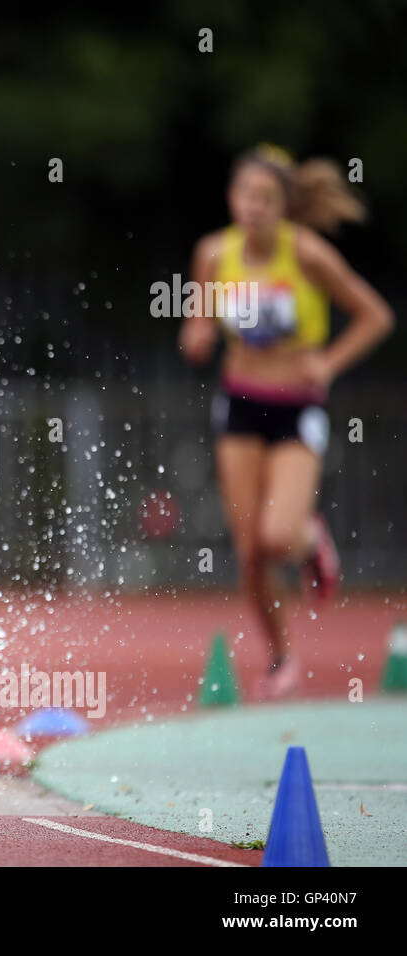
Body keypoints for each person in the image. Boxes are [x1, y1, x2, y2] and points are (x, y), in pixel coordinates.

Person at [179, 144, 394, 700]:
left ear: (284, 206)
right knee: (250, 551)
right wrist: (196, 337)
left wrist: (329, 361)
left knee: (278, 536)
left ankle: (310, 536)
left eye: (267, 199)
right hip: (240, 404)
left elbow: (375, 315)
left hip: (297, 408)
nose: (254, 208)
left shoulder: (308, 255)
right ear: (232, 199)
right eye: (246, 196)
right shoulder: (212, 254)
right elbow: (197, 326)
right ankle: (280, 657)